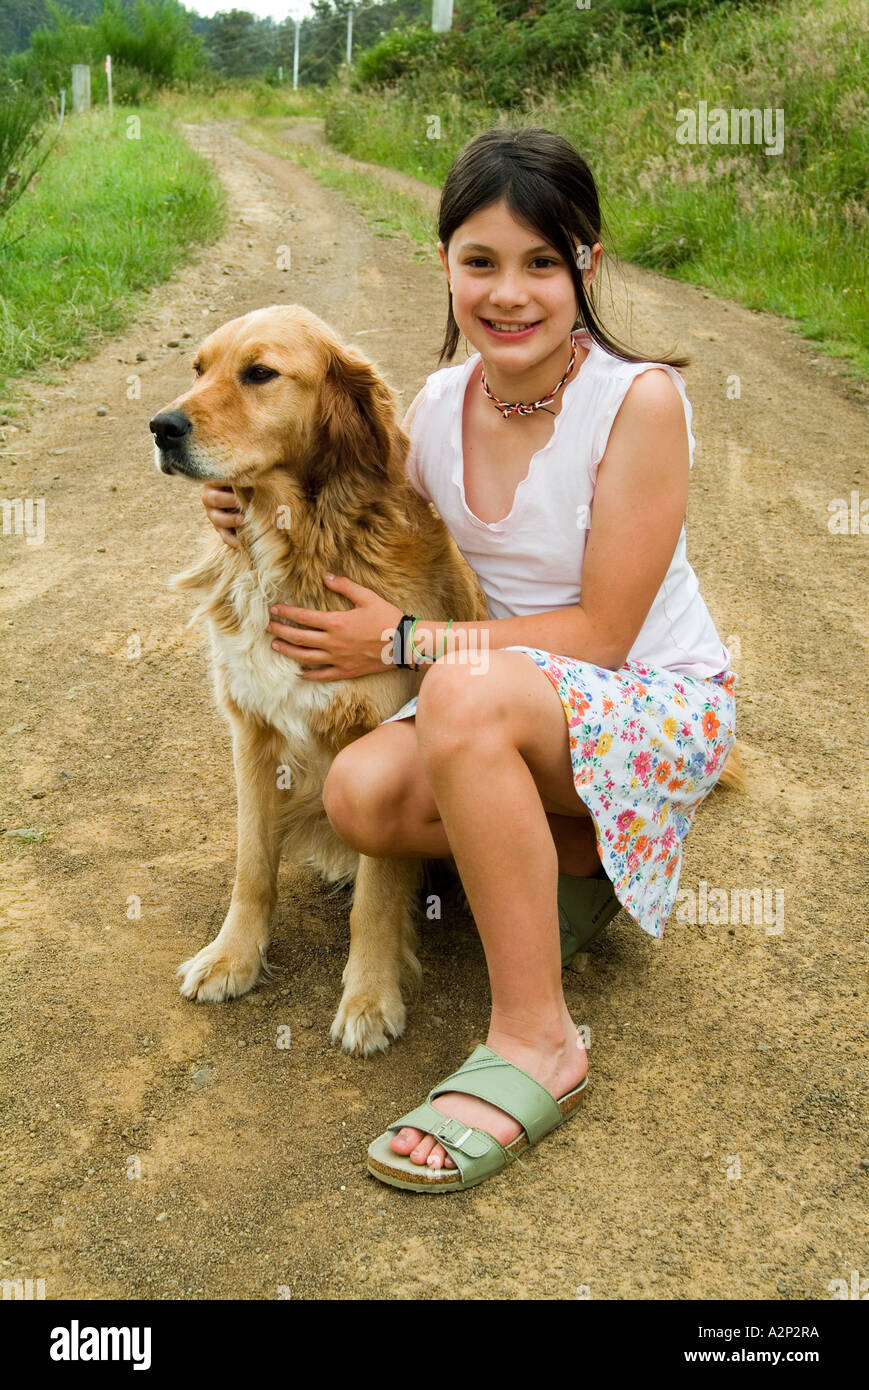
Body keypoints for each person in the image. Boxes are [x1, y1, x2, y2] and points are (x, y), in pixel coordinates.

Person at [200, 127, 737, 1193]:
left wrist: (401, 642)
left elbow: (599, 639)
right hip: (505, 699)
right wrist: (240, 480)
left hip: (650, 701)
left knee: (459, 698)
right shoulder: (442, 405)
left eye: (542, 262)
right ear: (441, 263)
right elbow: (339, 469)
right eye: (478, 261)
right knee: (358, 793)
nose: (508, 292)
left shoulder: (638, 403)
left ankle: (539, 1041)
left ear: (585, 267)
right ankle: (576, 863)